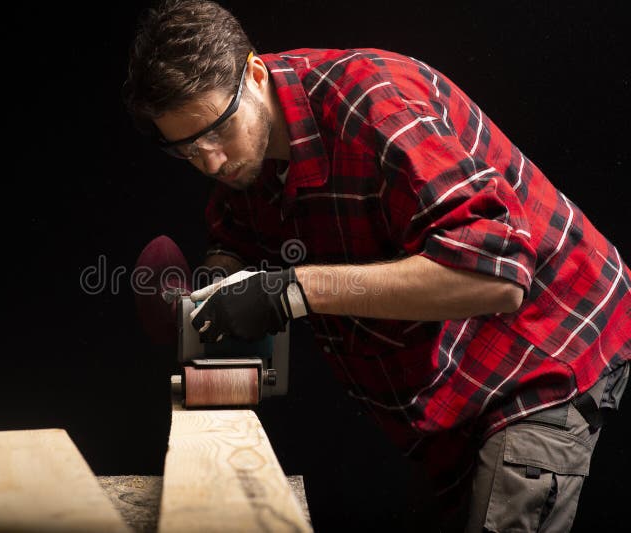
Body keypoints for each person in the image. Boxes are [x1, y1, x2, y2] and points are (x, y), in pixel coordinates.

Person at [123, 1, 631, 530]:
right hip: (448, 394)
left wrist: (290, 291)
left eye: (217, 132)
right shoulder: (244, 155)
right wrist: (219, 285)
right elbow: (239, 236)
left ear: (253, 73)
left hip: (545, 344)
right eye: (185, 150)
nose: (211, 163)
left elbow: (495, 275)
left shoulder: (374, 106)